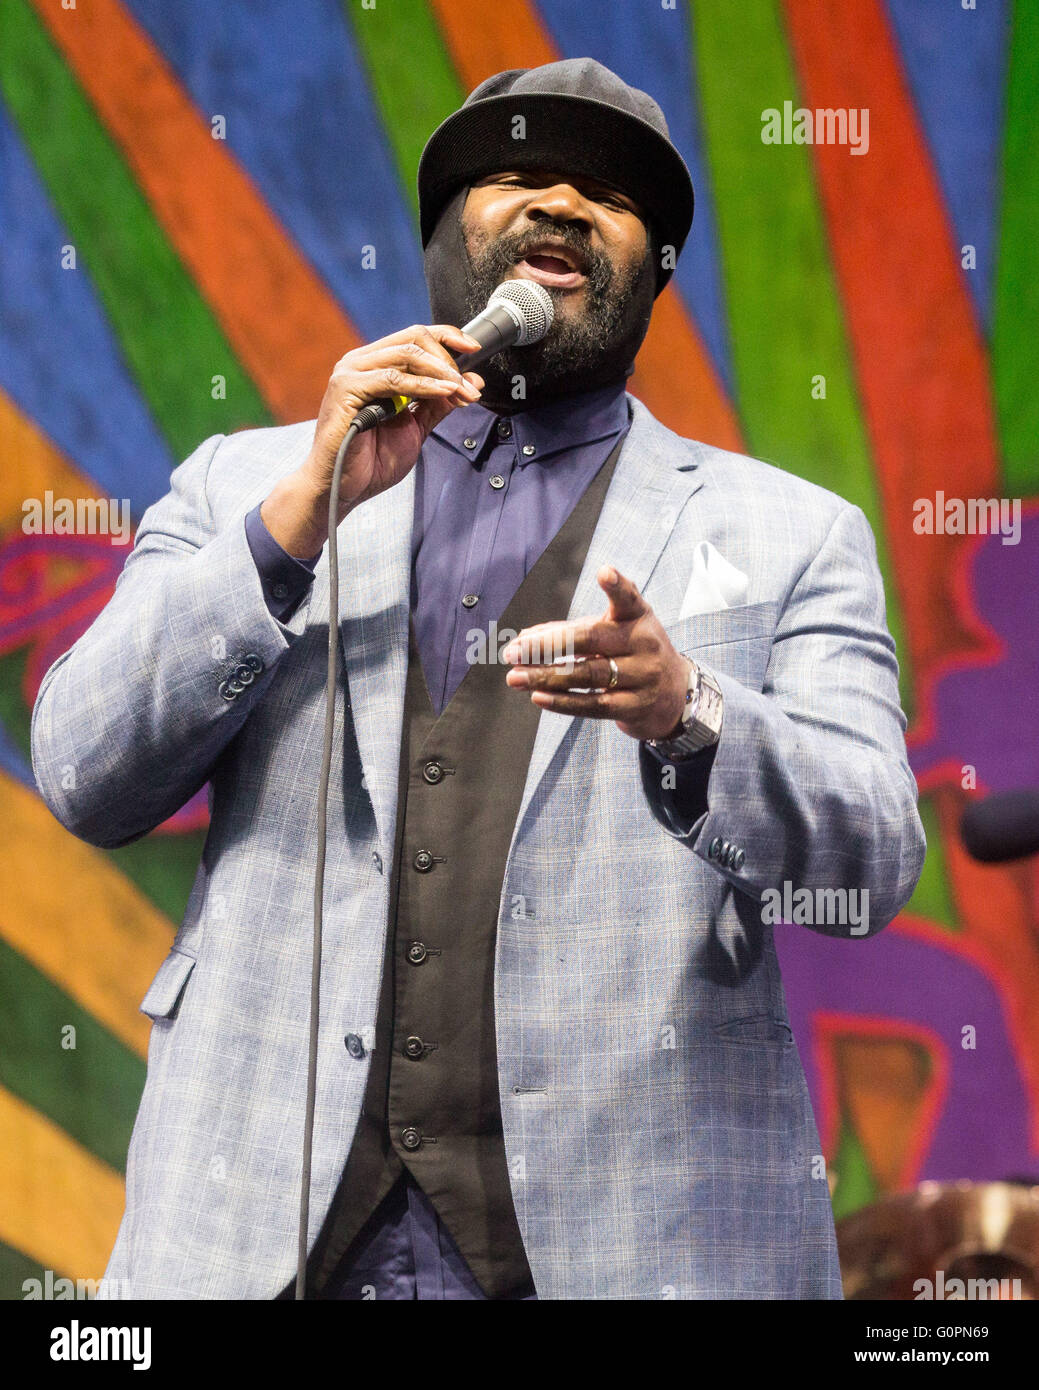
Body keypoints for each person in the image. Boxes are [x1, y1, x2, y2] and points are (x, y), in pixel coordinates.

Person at [30, 58, 926, 1300]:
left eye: (608, 198)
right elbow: (81, 770)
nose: (561, 203)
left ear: (655, 268)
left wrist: (689, 715)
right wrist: (297, 521)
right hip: (254, 1239)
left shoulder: (792, 533)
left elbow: (874, 856)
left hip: (627, 1245)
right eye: (517, 176)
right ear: (444, 234)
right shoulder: (245, 483)